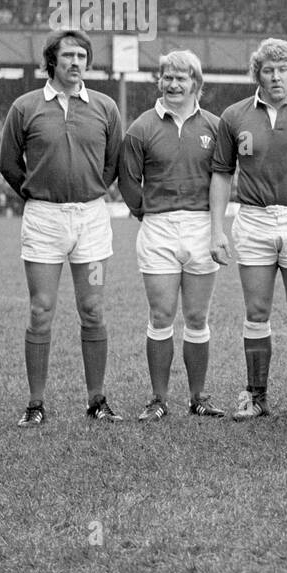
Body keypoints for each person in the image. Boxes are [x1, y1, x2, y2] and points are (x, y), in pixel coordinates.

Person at [0, 28, 123, 427]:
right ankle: (36, 404)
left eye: (82, 56)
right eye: (67, 55)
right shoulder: (25, 106)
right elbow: (8, 163)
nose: (75, 63)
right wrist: (38, 195)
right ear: (51, 60)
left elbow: (113, 163)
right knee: (41, 309)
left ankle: (97, 400)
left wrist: (90, 192)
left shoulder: (105, 107)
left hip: (91, 220)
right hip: (44, 221)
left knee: (93, 308)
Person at [209, 38, 287, 419]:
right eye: (268, 70)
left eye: (283, 69)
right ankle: (255, 395)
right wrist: (217, 229)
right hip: (254, 218)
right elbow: (222, 174)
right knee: (256, 310)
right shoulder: (234, 115)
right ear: (256, 74)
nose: (276, 76)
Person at [117, 50, 225, 421]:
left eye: (181, 78)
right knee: (161, 315)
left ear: (196, 83)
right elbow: (129, 182)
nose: (174, 84)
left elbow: (224, 179)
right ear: (159, 82)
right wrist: (147, 211)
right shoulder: (141, 128)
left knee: (197, 317)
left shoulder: (215, 126)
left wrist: (215, 227)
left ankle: (198, 397)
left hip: (201, 226)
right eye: (167, 77)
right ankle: (158, 398)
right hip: (158, 227)